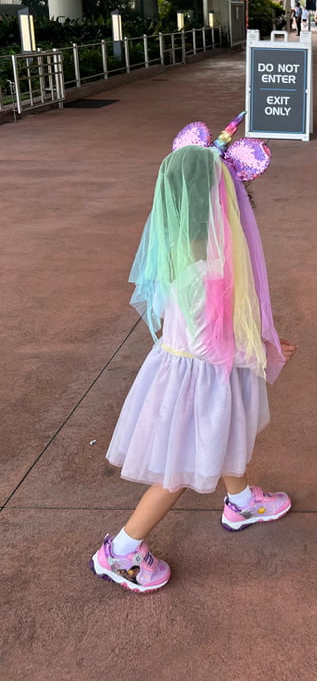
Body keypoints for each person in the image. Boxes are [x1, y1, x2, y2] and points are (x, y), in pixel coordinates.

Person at [90, 114, 297, 593]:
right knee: (178, 469)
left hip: (191, 372)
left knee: (224, 434)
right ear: (223, 211)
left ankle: (240, 499)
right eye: (239, 206)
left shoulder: (182, 249)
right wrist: (262, 352)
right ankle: (121, 551)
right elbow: (210, 343)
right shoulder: (209, 270)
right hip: (198, 380)